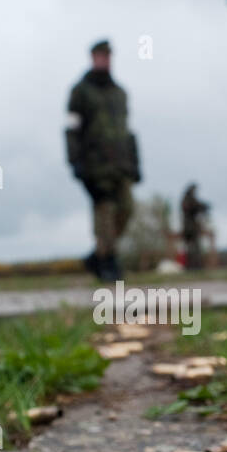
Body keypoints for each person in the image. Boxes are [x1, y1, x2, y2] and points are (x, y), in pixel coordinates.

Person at [65, 39, 139, 281]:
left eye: (107, 56)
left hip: (121, 165)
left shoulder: (120, 93)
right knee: (104, 212)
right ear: (92, 58)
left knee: (127, 209)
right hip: (95, 166)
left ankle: (98, 256)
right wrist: (76, 162)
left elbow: (128, 131)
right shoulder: (80, 92)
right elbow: (72, 130)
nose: (103, 60)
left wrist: (135, 162)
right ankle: (108, 262)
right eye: (99, 56)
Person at [180, 183, 210, 270]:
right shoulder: (187, 199)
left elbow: (198, 206)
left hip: (191, 226)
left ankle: (196, 266)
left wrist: (203, 207)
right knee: (192, 247)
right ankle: (192, 266)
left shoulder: (190, 199)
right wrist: (201, 207)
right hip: (189, 228)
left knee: (195, 247)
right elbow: (193, 206)